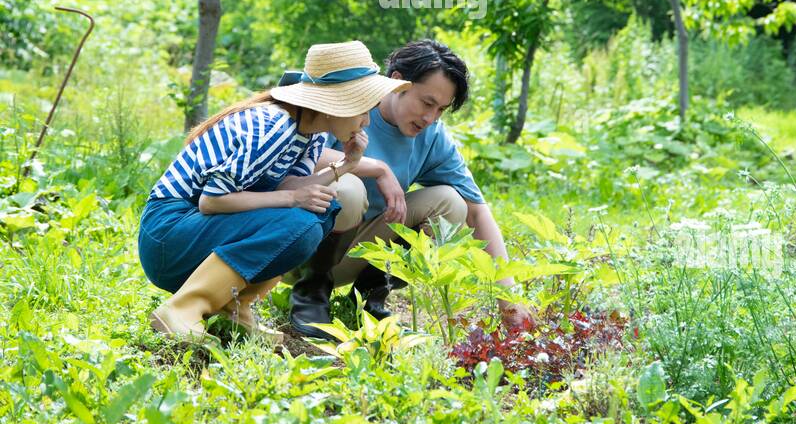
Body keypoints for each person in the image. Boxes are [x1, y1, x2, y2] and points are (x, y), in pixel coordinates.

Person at [138, 41, 409, 345]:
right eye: (363, 110)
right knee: (299, 222)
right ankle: (183, 309)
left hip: (196, 232)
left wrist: (349, 164)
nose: (367, 122)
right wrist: (293, 200)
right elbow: (211, 200)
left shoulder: (312, 132)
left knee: (318, 215)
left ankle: (234, 309)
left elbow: (289, 185)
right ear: (337, 102)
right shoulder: (273, 126)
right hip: (168, 236)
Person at [286, 39, 535, 340]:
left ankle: (369, 300)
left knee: (450, 203)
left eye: (441, 109)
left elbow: (477, 212)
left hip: (355, 253)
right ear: (397, 82)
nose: (430, 118)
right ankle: (310, 296)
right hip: (297, 249)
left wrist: (508, 302)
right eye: (427, 103)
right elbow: (301, 156)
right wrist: (375, 166)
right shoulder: (351, 101)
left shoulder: (431, 136)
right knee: (348, 188)